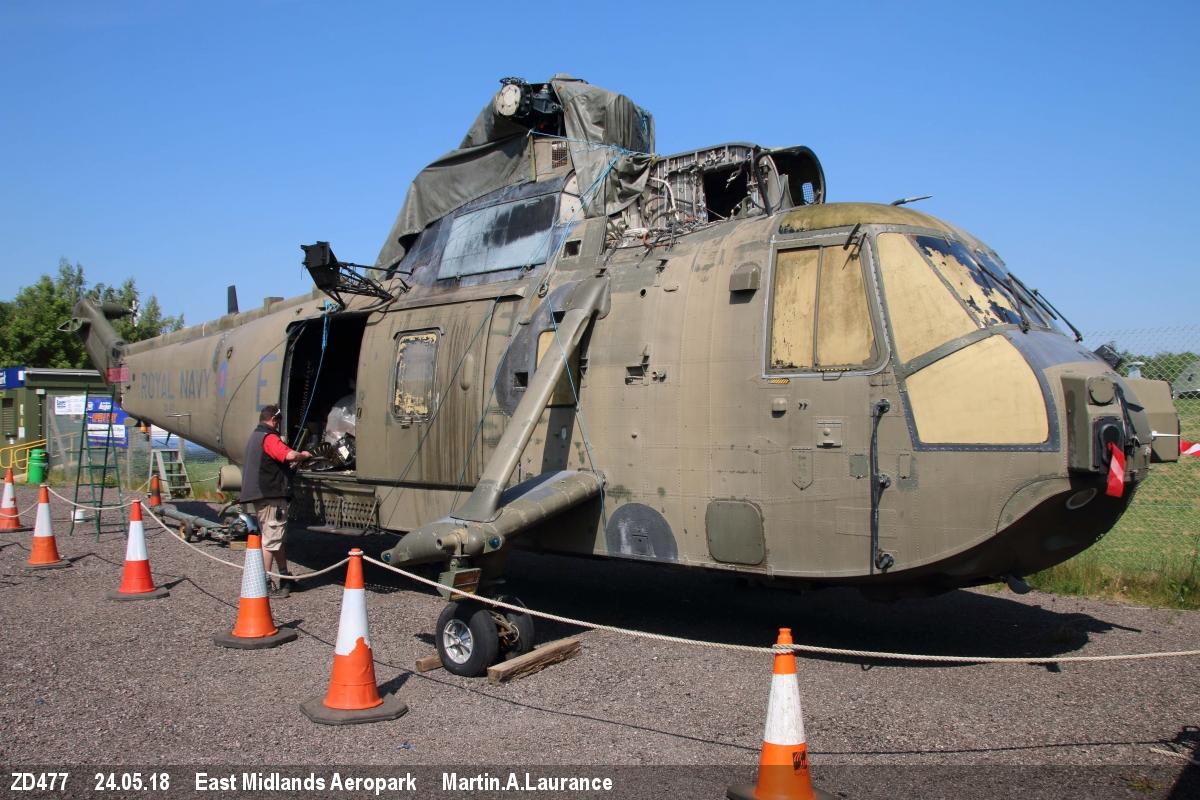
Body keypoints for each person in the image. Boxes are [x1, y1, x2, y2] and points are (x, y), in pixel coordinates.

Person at [240, 404, 311, 597]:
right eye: (278, 421)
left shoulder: (255, 437)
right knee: (270, 541)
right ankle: (263, 582)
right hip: (271, 497)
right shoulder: (269, 437)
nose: (279, 425)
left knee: (275, 537)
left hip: (261, 496)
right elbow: (288, 455)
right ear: (273, 420)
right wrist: (303, 455)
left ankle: (284, 577)